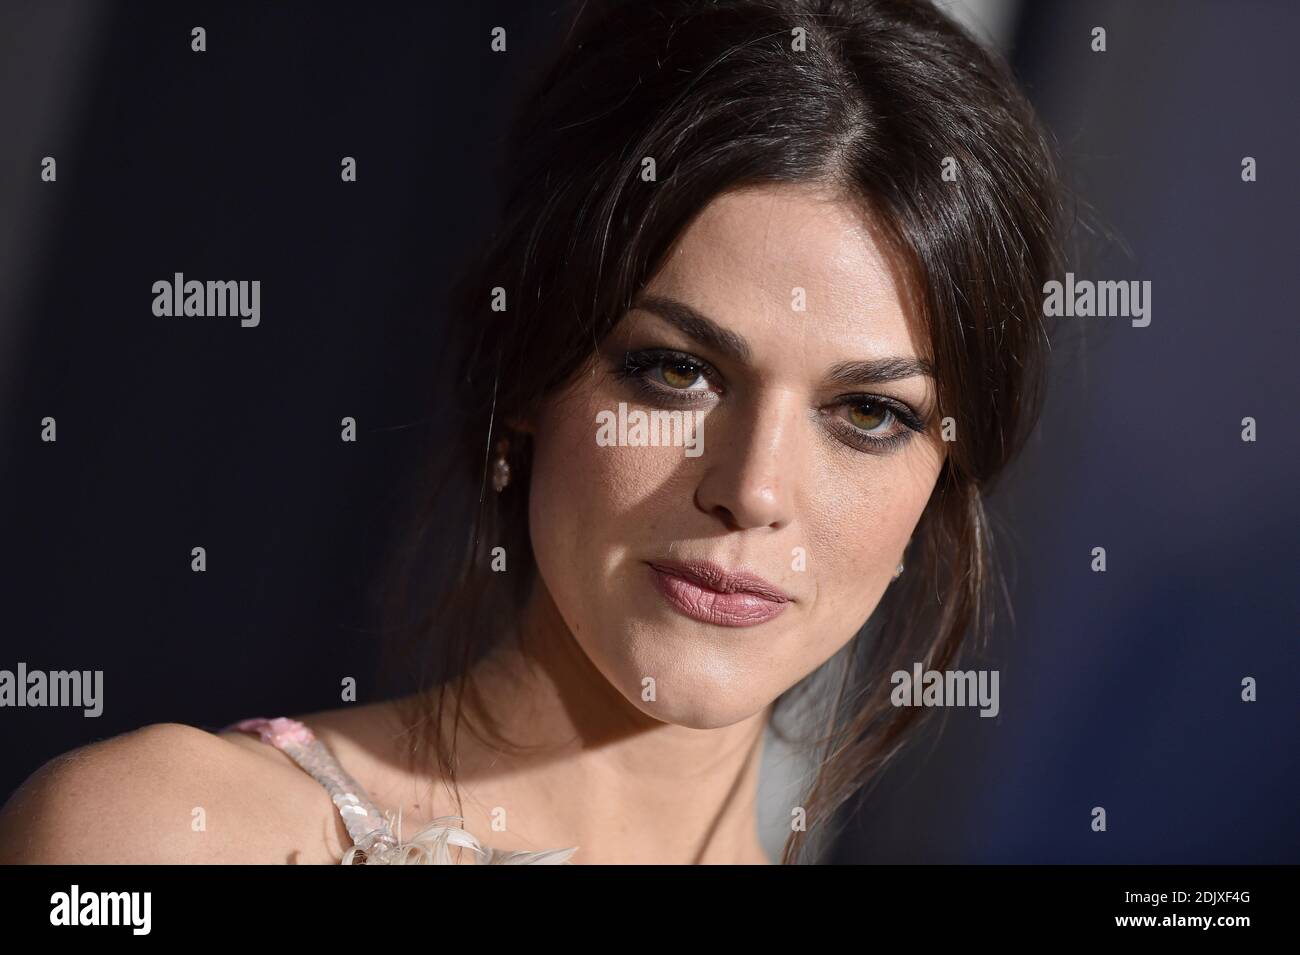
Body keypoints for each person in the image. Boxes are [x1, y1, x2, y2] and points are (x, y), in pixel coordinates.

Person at [0, 0, 1064, 865]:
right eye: (678, 371)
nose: (753, 488)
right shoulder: (159, 839)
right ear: (526, 375)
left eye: (868, 413)